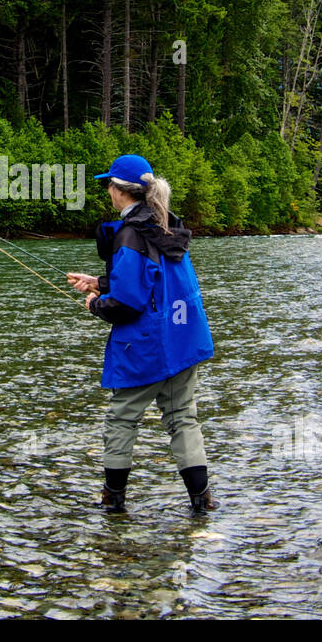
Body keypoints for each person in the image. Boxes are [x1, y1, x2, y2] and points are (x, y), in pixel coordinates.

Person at [66, 154, 217, 512]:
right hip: (183, 339)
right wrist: (100, 282)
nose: (107, 190)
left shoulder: (131, 233)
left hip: (147, 346)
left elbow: (129, 304)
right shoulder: (165, 224)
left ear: (120, 191)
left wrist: (96, 304)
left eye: (109, 184)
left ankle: (113, 504)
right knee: (182, 418)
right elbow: (155, 280)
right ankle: (202, 503)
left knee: (122, 419)